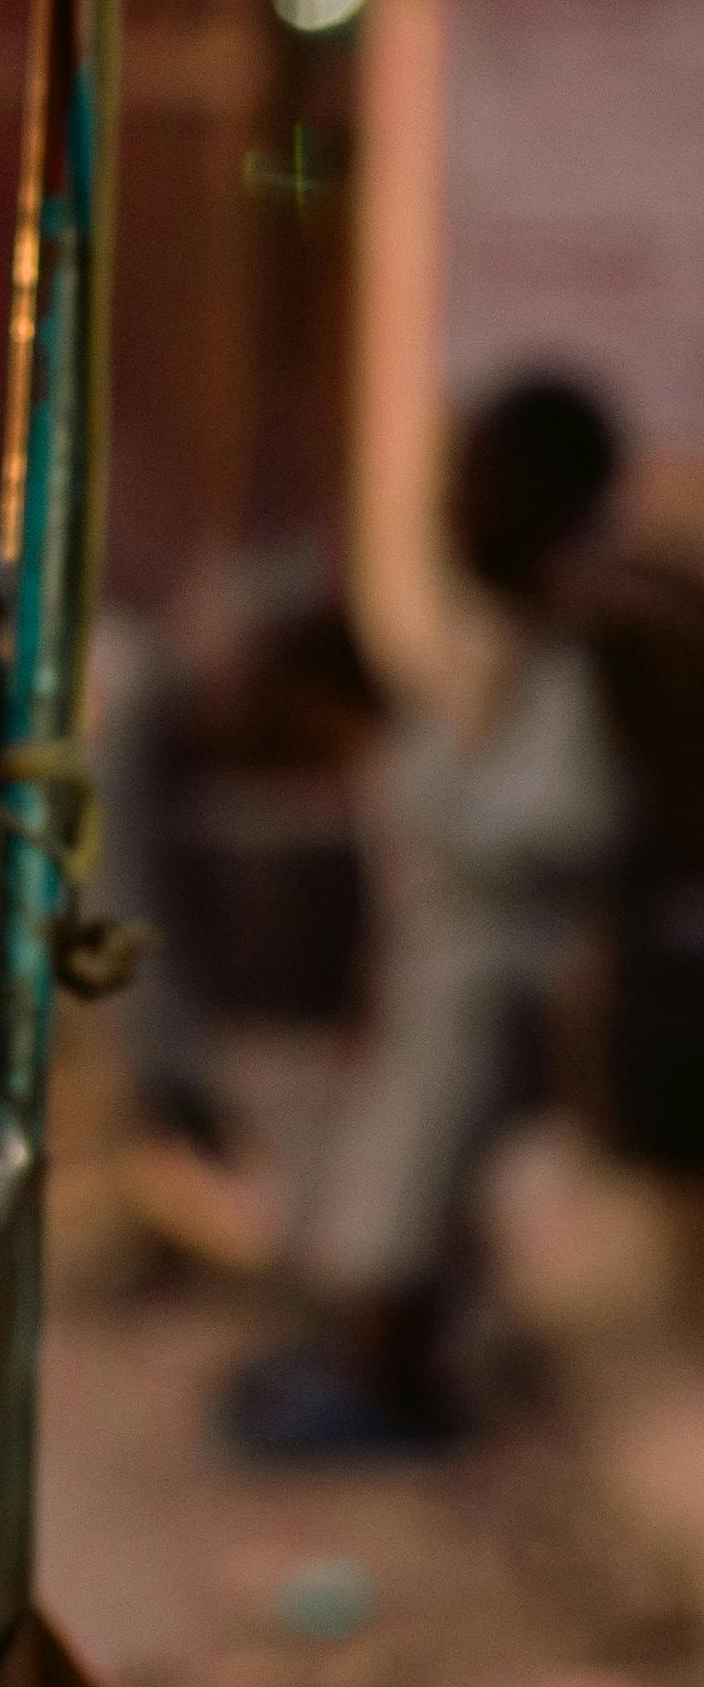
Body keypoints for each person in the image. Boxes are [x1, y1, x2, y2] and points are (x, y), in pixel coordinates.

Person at [226, 377, 630, 1462]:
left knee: (457, 1022)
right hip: (464, 947)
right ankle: (363, 1333)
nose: (453, 514)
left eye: (472, 489)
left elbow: (560, 824)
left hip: (560, 958)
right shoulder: (505, 638)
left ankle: (394, 1346)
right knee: (405, 1037)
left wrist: (402, 776)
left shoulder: (596, 642)